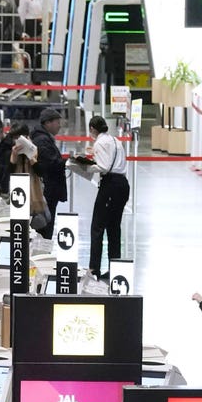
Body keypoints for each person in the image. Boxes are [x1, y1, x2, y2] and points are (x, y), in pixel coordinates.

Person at [83, 115, 129, 283]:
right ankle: (114, 267)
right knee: (114, 227)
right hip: (123, 185)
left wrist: (85, 167)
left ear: (93, 129)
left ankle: (94, 269)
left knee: (97, 227)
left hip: (110, 185)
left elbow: (103, 166)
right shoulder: (116, 140)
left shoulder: (100, 142)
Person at [30, 109, 68, 240]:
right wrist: (67, 162)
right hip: (48, 189)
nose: (59, 125)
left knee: (46, 222)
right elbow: (51, 163)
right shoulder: (42, 141)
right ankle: (41, 253)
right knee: (45, 225)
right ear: (48, 123)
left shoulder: (44, 139)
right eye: (57, 122)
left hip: (49, 189)